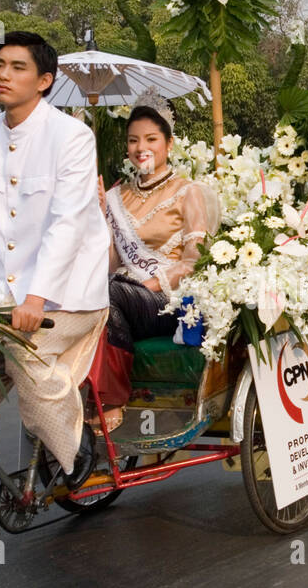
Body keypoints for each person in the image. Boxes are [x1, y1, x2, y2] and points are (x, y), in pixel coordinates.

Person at [0, 30, 110, 553]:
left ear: (45, 80)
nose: (2, 75)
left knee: (25, 359)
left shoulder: (71, 137)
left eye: (17, 67)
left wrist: (37, 296)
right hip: (5, 294)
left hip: (69, 295)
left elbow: (67, 222)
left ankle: (75, 449)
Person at [90, 90, 216, 431]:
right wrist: (101, 216)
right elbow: (111, 262)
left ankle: (112, 398)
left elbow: (194, 260)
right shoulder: (116, 196)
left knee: (110, 291)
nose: (140, 147)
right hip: (120, 292)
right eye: (133, 140)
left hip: (166, 302)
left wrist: (150, 283)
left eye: (150, 139)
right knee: (99, 289)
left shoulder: (187, 192)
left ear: (168, 144)